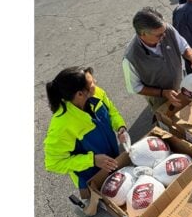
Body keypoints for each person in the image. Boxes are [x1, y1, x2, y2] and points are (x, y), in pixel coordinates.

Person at [43, 66, 128, 201]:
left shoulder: (97, 94)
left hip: (114, 162)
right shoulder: (61, 126)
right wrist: (92, 160)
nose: (95, 82)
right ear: (80, 94)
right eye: (91, 83)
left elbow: (112, 111)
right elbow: (54, 163)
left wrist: (120, 127)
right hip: (93, 180)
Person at [122, 7, 192, 111]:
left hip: (182, 85)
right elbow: (135, 87)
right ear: (143, 34)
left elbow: (184, 47)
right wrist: (163, 93)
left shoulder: (166, 30)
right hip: (160, 99)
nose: (164, 35)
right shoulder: (131, 58)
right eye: (159, 35)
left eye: (164, 31)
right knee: (169, 122)